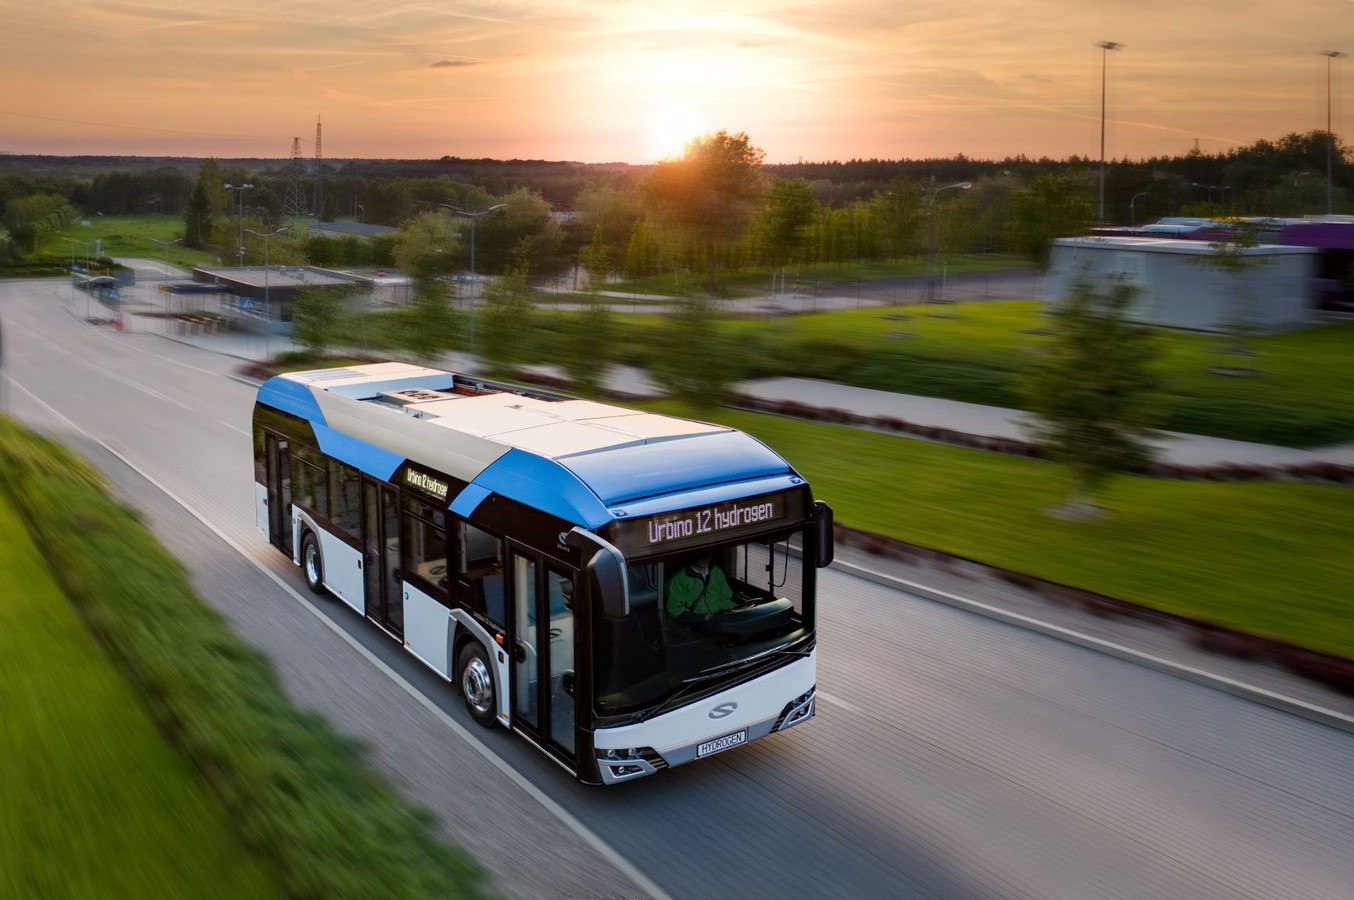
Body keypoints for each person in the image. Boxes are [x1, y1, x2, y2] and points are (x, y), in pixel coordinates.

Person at [666, 554, 739, 622]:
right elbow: (674, 610)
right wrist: (700, 618)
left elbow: (726, 597)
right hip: (698, 623)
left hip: (722, 617)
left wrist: (730, 610)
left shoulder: (716, 571)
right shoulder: (678, 580)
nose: (707, 558)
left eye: (708, 554)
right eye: (702, 555)